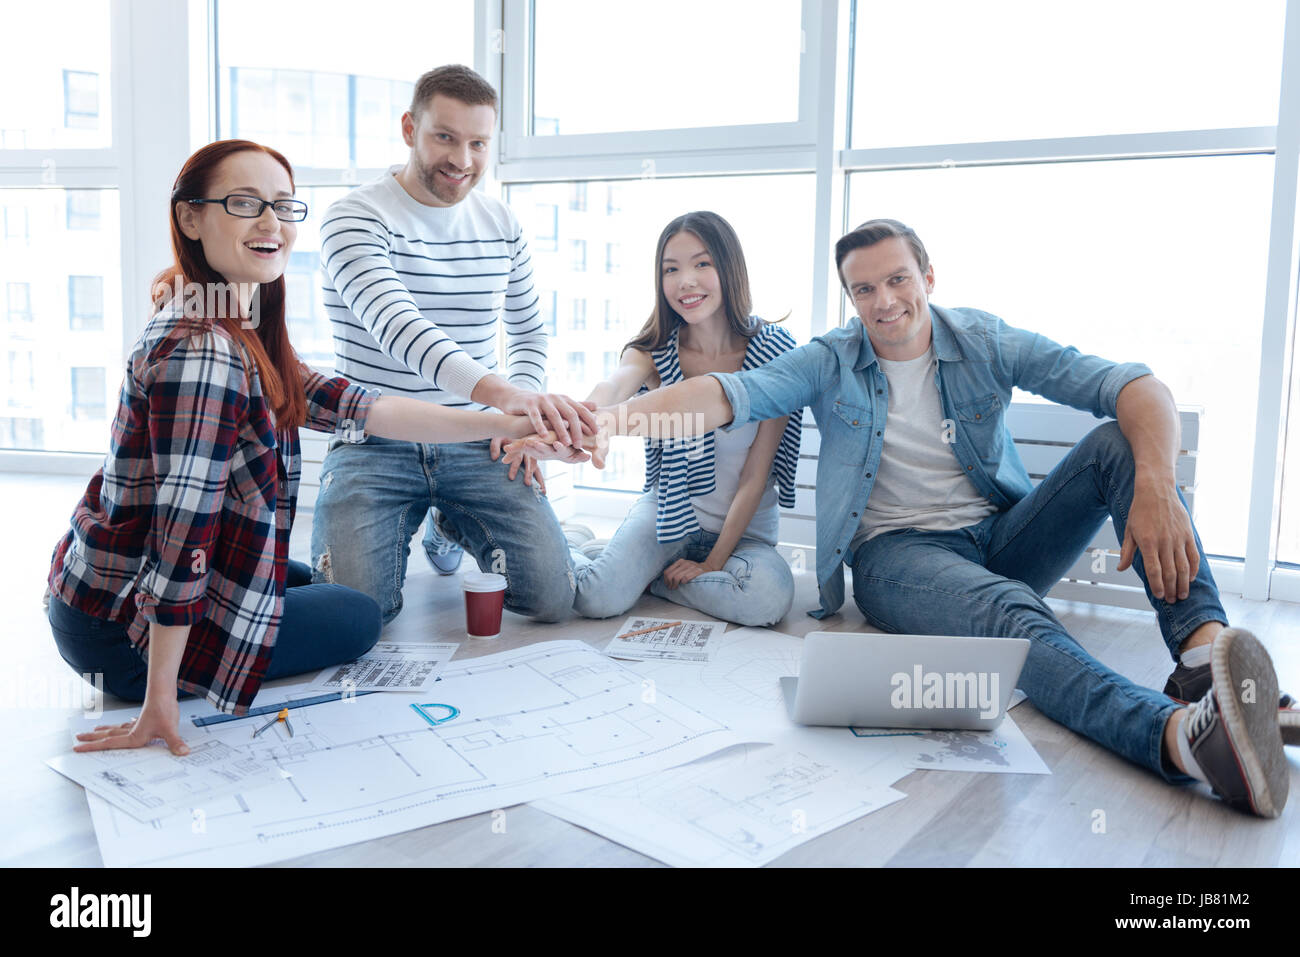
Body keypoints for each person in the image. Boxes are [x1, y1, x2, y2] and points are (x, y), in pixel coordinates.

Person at [510, 219, 1292, 818]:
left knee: (1120, 443)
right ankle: (1178, 738)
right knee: (1009, 614)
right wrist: (608, 423)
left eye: (896, 280)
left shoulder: (983, 338)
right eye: (863, 290)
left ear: (927, 276)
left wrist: (1155, 481)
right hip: (897, 559)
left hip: (998, 536)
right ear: (850, 298)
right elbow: (726, 396)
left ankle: (1203, 662)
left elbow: (1134, 385)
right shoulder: (830, 357)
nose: (883, 302)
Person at [47, 139, 536, 755]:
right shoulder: (204, 350)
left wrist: (504, 423)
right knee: (357, 615)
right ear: (190, 217)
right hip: (123, 634)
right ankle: (160, 674)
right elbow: (182, 532)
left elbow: (357, 404)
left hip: (98, 594)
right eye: (244, 203)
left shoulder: (233, 316)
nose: (271, 223)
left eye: (282, 205)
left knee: (296, 577)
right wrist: (158, 698)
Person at [311, 64, 593, 625]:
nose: (462, 160)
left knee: (552, 599)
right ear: (409, 128)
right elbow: (400, 328)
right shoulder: (353, 217)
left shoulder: (502, 223)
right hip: (376, 440)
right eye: (445, 137)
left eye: (478, 143)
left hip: (479, 438)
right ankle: (428, 513)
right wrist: (510, 400)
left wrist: (520, 420)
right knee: (355, 613)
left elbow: (529, 332)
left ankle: (447, 521)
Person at [567, 212, 801, 627]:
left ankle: (649, 578)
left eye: (702, 264)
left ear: (729, 268)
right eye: (670, 269)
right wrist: (588, 418)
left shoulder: (775, 353)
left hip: (744, 533)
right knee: (596, 599)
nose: (685, 281)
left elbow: (756, 475)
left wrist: (713, 562)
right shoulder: (653, 350)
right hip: (668, 517)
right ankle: (574, 544)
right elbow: (615, 385)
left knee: (766, 599)